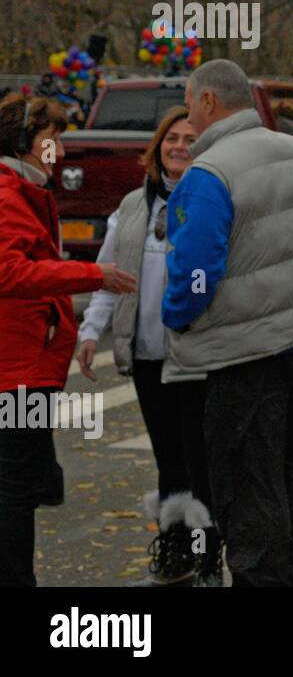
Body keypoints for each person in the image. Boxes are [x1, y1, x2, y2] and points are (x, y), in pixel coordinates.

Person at [161, 60, 293, 587]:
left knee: (247, 496)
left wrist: (178, 318)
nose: (191, 115)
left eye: (192, 103)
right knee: (292, 480)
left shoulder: (207, 173)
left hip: (241, 358)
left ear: (209, 102)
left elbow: (195, 273)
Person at [73, 106, 222, 586]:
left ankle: (207, 562)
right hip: (146, 356)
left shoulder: (212, 199)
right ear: (157, 147)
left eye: (190, 138)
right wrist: (91, 331)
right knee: (168, 460)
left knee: (202, 464)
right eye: (171, 138)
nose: (180, 146)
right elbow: (106, 272)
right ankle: (175, 558)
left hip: (197, 357)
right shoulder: (134, 206)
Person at [0, 94, 138, 586]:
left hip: (30, 365)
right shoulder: (8, 194)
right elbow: (10, 271)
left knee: (26, 479)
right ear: (22, 144)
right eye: (51, 140)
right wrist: (90, 275)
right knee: (14, 490)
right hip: (15, 371)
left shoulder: (26, 189)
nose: (59, 151)